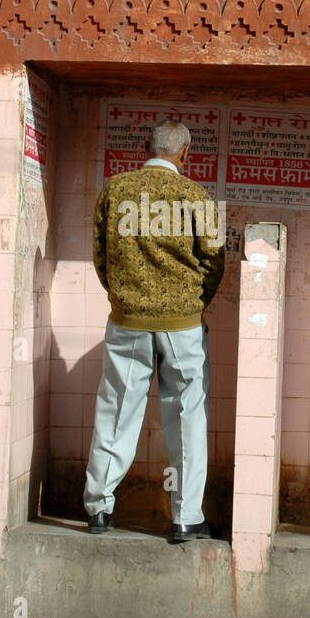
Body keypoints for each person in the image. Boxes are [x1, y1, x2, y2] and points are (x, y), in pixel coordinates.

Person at [83, 120, 226, 541]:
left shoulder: (116, 190)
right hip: (183, 326)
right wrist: (194, 305)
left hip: (127, 322)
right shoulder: (197, 197)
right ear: (185, 155)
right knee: (187, 416)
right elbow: (214, 261)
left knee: (116, 411)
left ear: (147, 147)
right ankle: (186, 517)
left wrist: (124, 296)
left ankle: (99, 509)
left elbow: (100, 253)